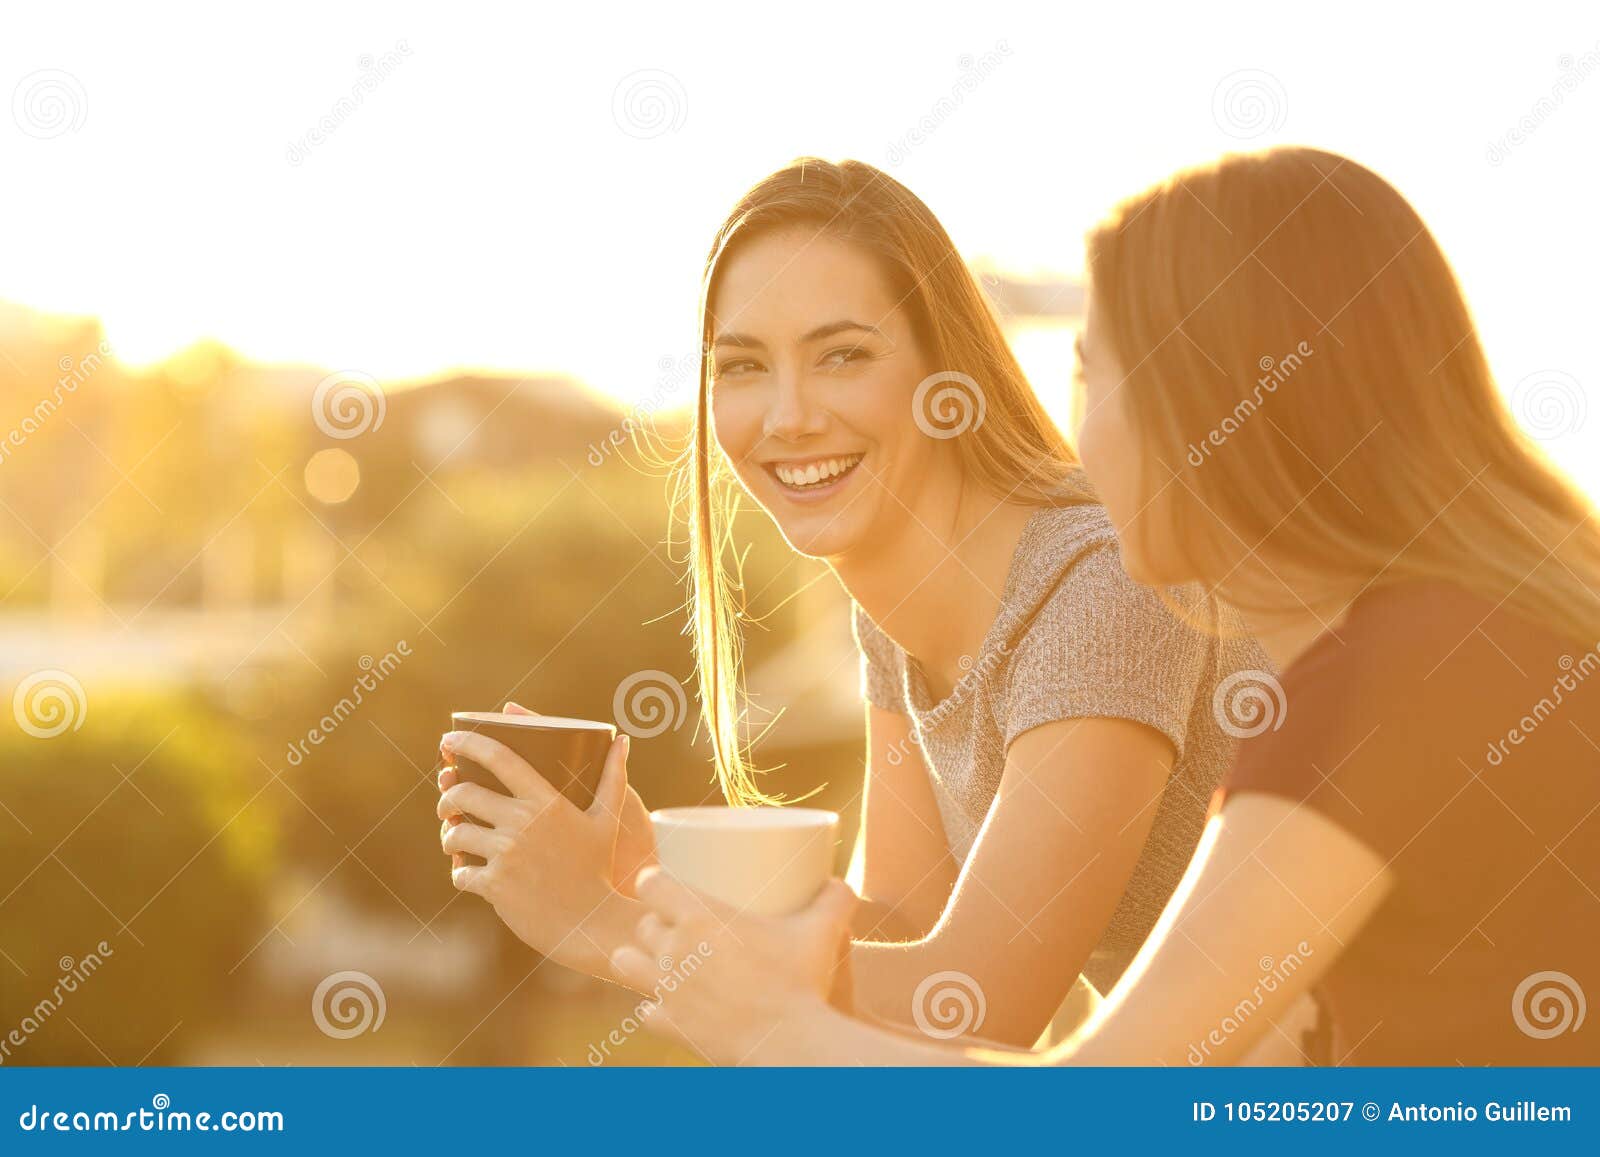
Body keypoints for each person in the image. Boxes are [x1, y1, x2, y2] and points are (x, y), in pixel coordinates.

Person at [608, 147, 1600, 1065]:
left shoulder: (1391, 677)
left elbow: (1107, 1100)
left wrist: (770, 1020)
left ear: (1221, 406)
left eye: (1093, 372)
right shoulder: (1440, 644)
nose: (1075, 436)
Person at [436, 157, 1265, 1048]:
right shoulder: (892, 611)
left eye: (843, 355)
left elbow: (979, 1000)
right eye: (744, 365)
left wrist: (604, 924)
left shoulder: (1103, 586)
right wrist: (646, 878)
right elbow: (905, 932)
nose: (788, 416)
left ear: (944, 370)